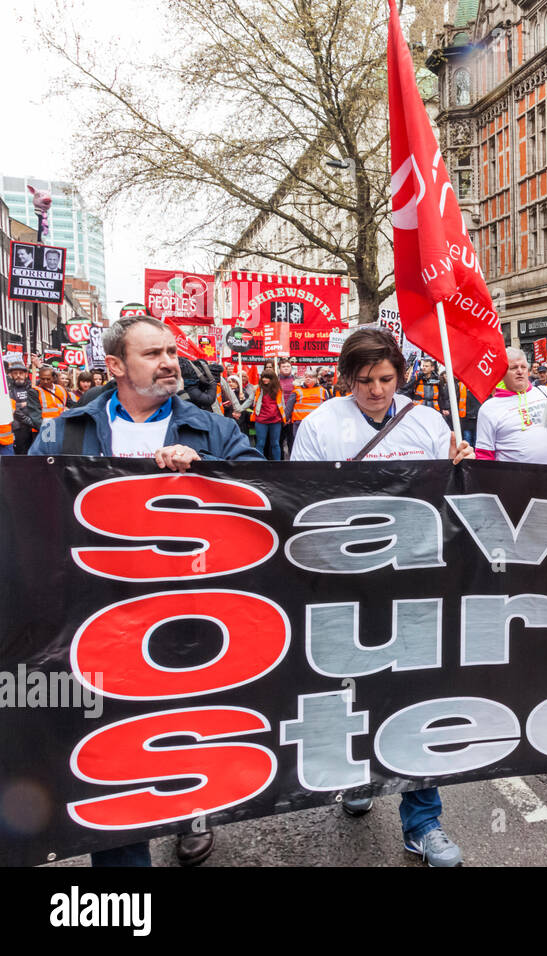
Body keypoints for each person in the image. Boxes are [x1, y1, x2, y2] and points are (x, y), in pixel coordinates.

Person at [31, 315, 263, 867]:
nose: (169, 363)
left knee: (186, 719)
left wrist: (211, 471)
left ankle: (191, 807)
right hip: (100, 617)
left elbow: (263, 489)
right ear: (114, 366)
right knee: (114, 741)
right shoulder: (65, 430)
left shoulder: (211, 427)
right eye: (153, 353)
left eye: (172, 352)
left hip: (192, 607)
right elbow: (27, 501)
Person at [291, 328, 472, 866]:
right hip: (347, 586)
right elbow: (300, 504)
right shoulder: (321, 425)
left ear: (402, 374)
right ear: (346, 379)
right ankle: (359, 776)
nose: (376, 390)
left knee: (415, 697)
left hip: (415, 582)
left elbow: (459, 502)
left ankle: (424, 822)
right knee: (354, 693)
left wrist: (462, 462)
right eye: (364, 381)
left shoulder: (428, 421)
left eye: (386, 379)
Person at [475, 348, 547, 464]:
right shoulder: (489, 408)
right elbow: (484, 455)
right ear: (502, 373)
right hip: (513, 480)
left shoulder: (545, 392)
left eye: (523, 367)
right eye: (513, 368)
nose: (520, 371)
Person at [4, 355, 39, 454]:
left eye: (21, 373)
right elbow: (11, 408)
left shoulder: (32, 386)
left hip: (34, 428)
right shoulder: (9, 389)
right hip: (18, 427)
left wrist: (39, 365)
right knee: (21, 454)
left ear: (26, 374)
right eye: (15, 373)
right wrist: (21, 406)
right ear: (11, 375)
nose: (18, 375)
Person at [251, 368, 287, 460]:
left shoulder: (278, 390)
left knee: (275, 443)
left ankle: (277, 464)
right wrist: (238, 409)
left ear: (272, 379)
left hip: (276, 420)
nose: (264, 379)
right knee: (260, 443)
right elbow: (249, 400)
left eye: (267, 378)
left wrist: (285, 417)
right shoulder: (258, 389)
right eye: (263, 377)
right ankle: (259, 463)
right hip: (261, 420)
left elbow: (282, 404)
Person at [290, 368, 328, 437]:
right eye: (306, 377)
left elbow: (327, 407)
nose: (308, 379)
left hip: (316, 422)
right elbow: (289, 406)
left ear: (316, 379)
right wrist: (285, 419)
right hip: (299, 421)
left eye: (311, 377)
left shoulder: (322, 391)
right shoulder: (297, 391)